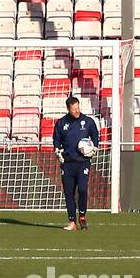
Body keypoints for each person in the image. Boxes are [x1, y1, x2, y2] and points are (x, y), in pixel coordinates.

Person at [52, 94, 101, 231]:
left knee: (83, 190)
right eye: (74, 109)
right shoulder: (61, 123)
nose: (77, 111)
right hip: (67, 163)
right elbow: (57, 139)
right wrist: (57, 150)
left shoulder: (87, 121)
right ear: (68, 109)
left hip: (83, 162)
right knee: (69, 193)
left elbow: (95, 135)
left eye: (78, 108)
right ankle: (72, 222)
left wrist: (95, 146)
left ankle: (82, 215)